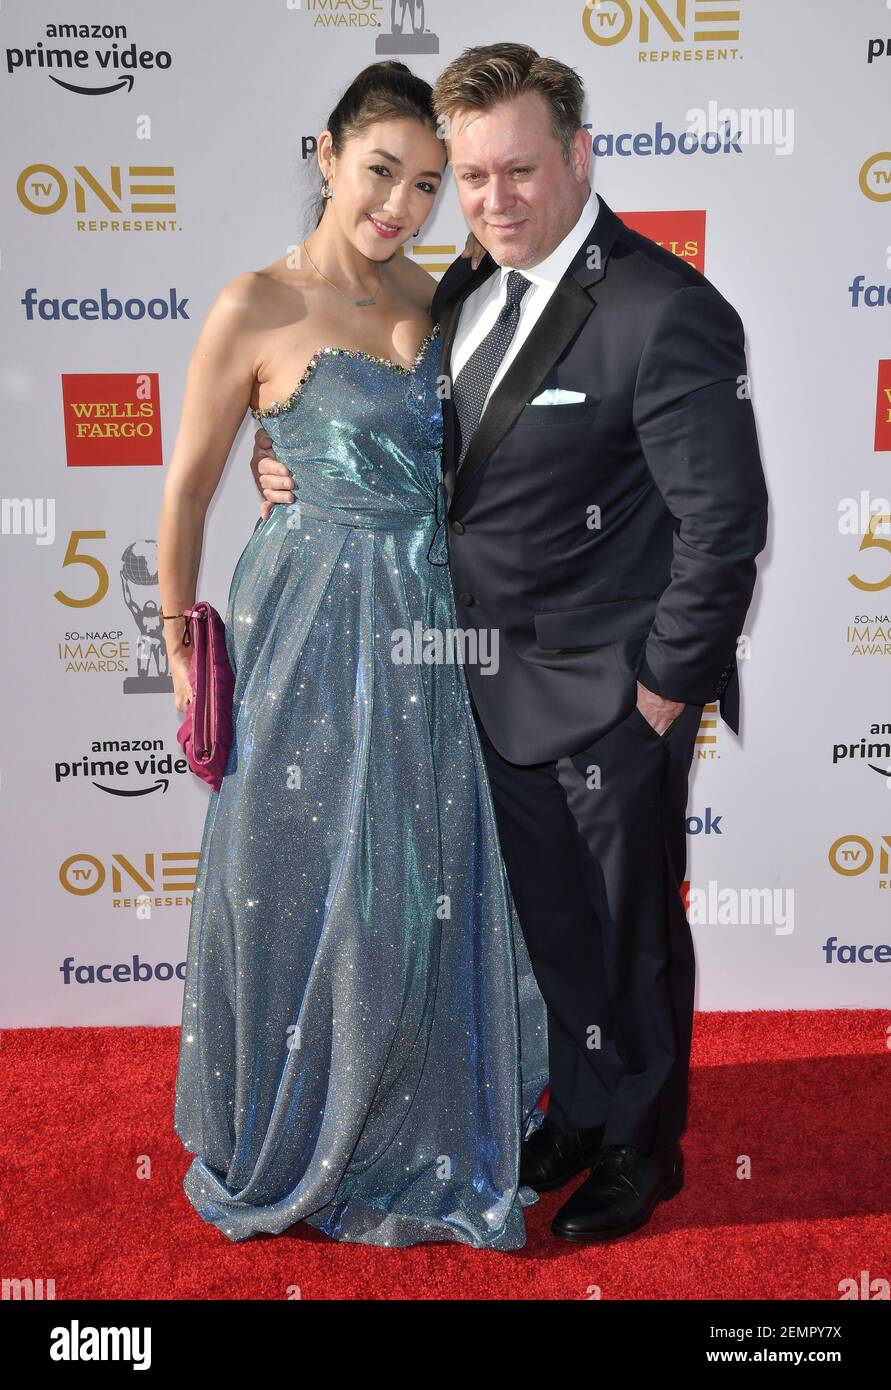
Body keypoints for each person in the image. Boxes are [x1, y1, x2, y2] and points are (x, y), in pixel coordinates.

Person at [253, 43, 769, 1243]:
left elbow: (725, 523)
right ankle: (584, 1112)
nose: (494, 201)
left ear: (581, 156)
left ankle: (647, 1148)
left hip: (609, 698)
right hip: (484, 690)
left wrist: (656, 696)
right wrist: (300, 469)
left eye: (522, 171)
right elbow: (432, 466)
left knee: (630, 935)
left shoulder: (666, 308)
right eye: (471, 177)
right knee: (557, 931)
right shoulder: (459, 291)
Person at [158, 59, 548, 1248]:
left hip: (426, 623)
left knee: (419, 877)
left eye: (428, 184)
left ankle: (414, 1118)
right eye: (382, 172)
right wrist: (182, 650)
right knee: (301, 872)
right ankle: (290, 1120)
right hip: (307, 622)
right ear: (324, 155)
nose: (400, 205)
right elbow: (184, 495)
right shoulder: (252, 307)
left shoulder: (439, 302)